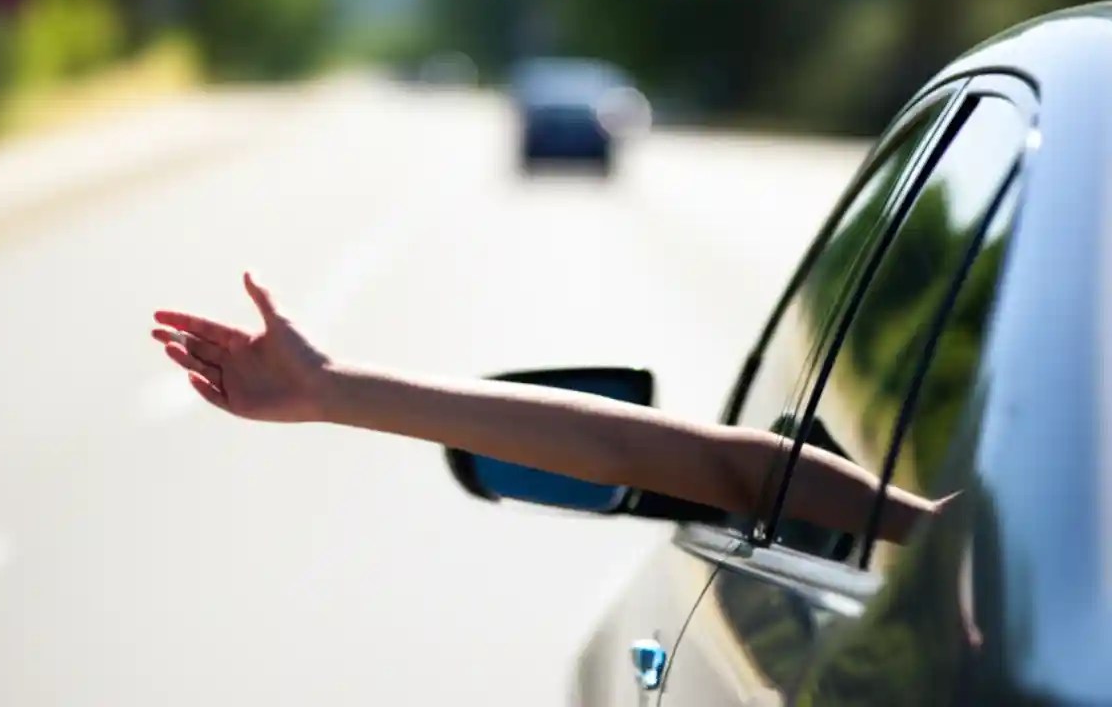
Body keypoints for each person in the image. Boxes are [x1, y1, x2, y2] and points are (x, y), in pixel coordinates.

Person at [150, 272, 948, 544]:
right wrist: (330, 388)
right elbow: (729, 468)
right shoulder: (991, 551)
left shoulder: (986, 554)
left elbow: (728, 470)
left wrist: (333, 390)